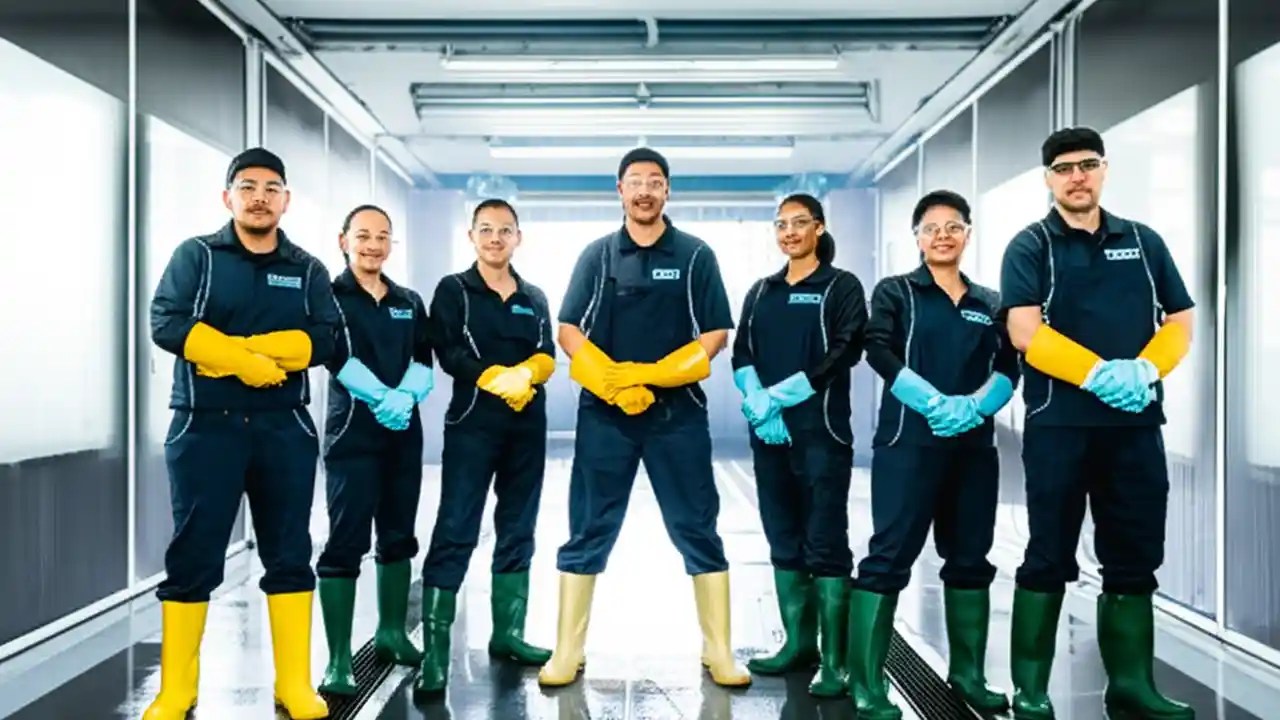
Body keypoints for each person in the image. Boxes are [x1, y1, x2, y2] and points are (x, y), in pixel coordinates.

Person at [1000, 127, 1194, 720]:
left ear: (1104, 170)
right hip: (1060, 426)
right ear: (1049, 179)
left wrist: (1144, 368)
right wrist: (1095, 373)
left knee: (1134, 555)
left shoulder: (1143, 240)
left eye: (1087, 165)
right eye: (1064, 168)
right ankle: (1031, 689)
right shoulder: (1031, 245)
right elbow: (1024, 330)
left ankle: (1131, 685)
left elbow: (1181, 318)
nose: (1077, 176)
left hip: (1134, 427)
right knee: (1049, 552)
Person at [537, 148, 750, 689]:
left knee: (696, 525)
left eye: (655, 182)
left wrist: (650, 377)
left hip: (677, 416)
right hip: (605, 417)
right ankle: (568, 650)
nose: (645, 191)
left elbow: (715, 336)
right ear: (620, 190)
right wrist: (612, 381)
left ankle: (718, 649)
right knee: (589, 526)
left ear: (668, 191)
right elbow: (568, 331)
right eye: (636, 182)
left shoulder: (696, 255)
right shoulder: (598, 254)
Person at [145, 147, 339, 720]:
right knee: (195, 552)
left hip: (284, 428)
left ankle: (294, 684)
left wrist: (248, 353)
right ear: (227, 196)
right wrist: (235, 358)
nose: (260, 196)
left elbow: (328, 337)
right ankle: (177, 689)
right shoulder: (198, 256)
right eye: (247, 186)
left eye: (272, 187)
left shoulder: (306, 268)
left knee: (290, 551)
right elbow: (166, 320)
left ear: (286, 199)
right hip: (206, 425)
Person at [848, 189, 1019, 719]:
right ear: (917, 237)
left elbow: (1012, 364)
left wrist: (976, 405)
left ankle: (967, 674)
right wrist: (930, 401)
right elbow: (877, 348)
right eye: (931, 227)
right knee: (889, 556)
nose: (942, 235)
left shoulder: (991, 303)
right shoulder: (897, 291)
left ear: (968, 233)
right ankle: (867, 683)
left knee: (970, 558)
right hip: (909, 444)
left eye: (953, 226)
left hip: (973, 449)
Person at [413, 198, 558, 698]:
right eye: (486, 230)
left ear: (519, 237)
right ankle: (434, 656)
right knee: (456, 527)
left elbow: (546, 353)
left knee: (519, 525)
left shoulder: (534, 295)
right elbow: (447, 350)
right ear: (471, 236)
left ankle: (509, 634)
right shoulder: (454, 290)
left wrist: (529, 374)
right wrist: (495, 378)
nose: (496, 238)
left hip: (526, 427)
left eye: (505, 230)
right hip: (474, 425)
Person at [729, 192, 867, 697]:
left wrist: (781, 397)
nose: (789, 232)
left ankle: (834, 662)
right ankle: (798, 644)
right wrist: (756, 402)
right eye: (781, 224)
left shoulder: (840, 286)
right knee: (783, 537)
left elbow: (845, 350)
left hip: (821, 434)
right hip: (768, 436)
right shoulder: (762, 291)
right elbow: (742, 350)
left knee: (825, 542)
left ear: (819, 227)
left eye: (799, 223)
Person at [313, 205, 434, 696]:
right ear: (343, 240)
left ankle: (390, 634)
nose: (373, 245)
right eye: (363, 236)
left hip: (403, 435)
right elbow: (334, 355)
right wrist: (379, 396)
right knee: (345, 543)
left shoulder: (408, 300)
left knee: (400, 535)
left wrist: (405, 396)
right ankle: (339, 659)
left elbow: (423, 359)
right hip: (352, 438)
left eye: (383, 237)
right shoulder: (329, 297)